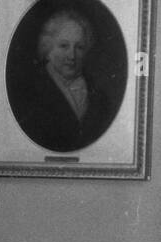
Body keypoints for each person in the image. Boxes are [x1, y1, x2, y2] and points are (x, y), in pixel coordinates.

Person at [9, 7, 115, 153]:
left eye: (79, 47)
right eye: (64, 46)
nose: (72, 55)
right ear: (48, 48)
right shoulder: (29, 93)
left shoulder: (99, 97)